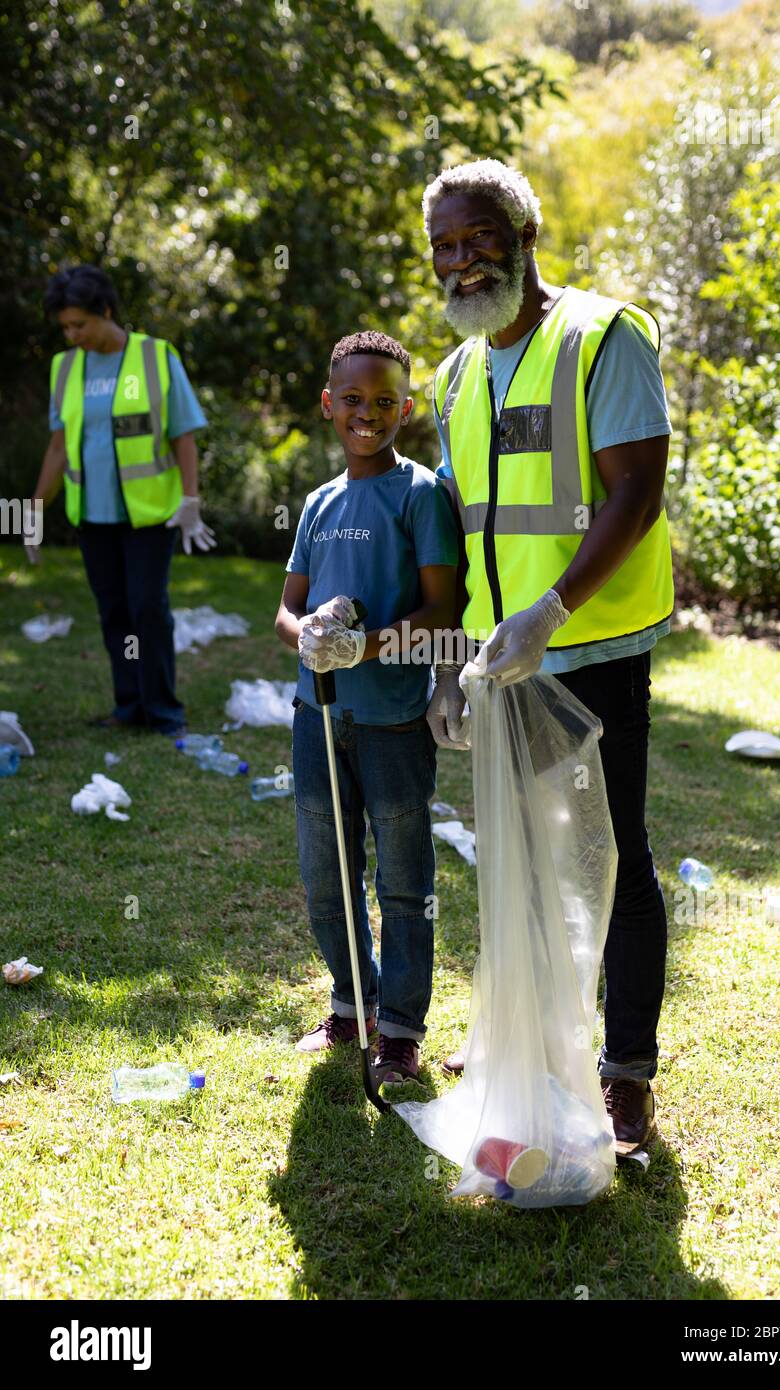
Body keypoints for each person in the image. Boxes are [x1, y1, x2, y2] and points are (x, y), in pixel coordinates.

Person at [423, 159, 674, 1160]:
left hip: (588, 644)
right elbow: (453, 529)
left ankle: (623, 1076)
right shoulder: (453, 376)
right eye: (443, 244)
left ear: (524, 234)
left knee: (610, 855)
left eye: (477, 234)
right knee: (521, 857)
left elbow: (634, 493)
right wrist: (449, 662)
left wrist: (551, 607)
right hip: (498, 659)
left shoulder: (601, 337)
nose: (459, 259)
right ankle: (520, 1046)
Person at [274, 331, 458, 1090]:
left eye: (385, 402)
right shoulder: (318, 504)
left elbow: (444, 609)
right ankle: (352, 1005)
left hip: (394, 723)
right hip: (318, 719)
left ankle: (401, 1034)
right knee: (327, 875)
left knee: (404, 882)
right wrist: (310, 635)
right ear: (328, 404)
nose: (367, 413)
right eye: (352, 400)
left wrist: (368, 647)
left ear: (405, 409)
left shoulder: (420, 495)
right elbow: (285, 613)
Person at [28, 265, 215, 735]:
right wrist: (34, 508)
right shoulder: (65, 367)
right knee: (113, 612)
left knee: (147, 608)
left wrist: (190, 500)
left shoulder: (155, 357)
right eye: (65, 327)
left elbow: (184, 435)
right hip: (93, 516)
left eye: (80, 325)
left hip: (149, 515)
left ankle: (164, 711)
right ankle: (128, 706)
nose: (73, 335)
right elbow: (57, 446)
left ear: (105, 311)